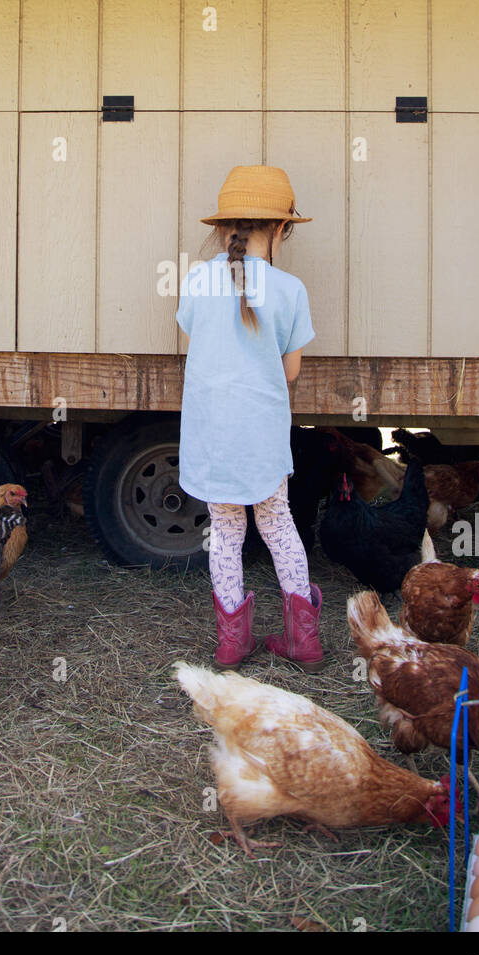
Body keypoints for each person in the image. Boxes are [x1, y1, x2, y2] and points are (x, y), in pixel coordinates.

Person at [176, 165, 323, 672]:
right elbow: (290, 372)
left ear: (222, 229)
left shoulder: (196, 280)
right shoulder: (291, 290)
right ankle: (304, 641)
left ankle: (231, 644)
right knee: (279, 523)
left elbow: (199, 351)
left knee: (225, 530)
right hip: (261, 439)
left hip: (213, 437)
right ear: (281, 229)